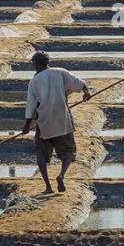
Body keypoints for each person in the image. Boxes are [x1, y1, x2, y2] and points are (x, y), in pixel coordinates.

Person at [22, 50, 89, 194]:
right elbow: (80, 83)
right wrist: (86, 93)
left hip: (44, 122)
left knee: (42, 156)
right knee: (69, 152)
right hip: (62, 119)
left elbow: (31, 105)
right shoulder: (60, 72)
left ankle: (48, 187)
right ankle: (61, 175)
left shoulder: (34, 81)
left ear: (35, 64)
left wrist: (27, 124)